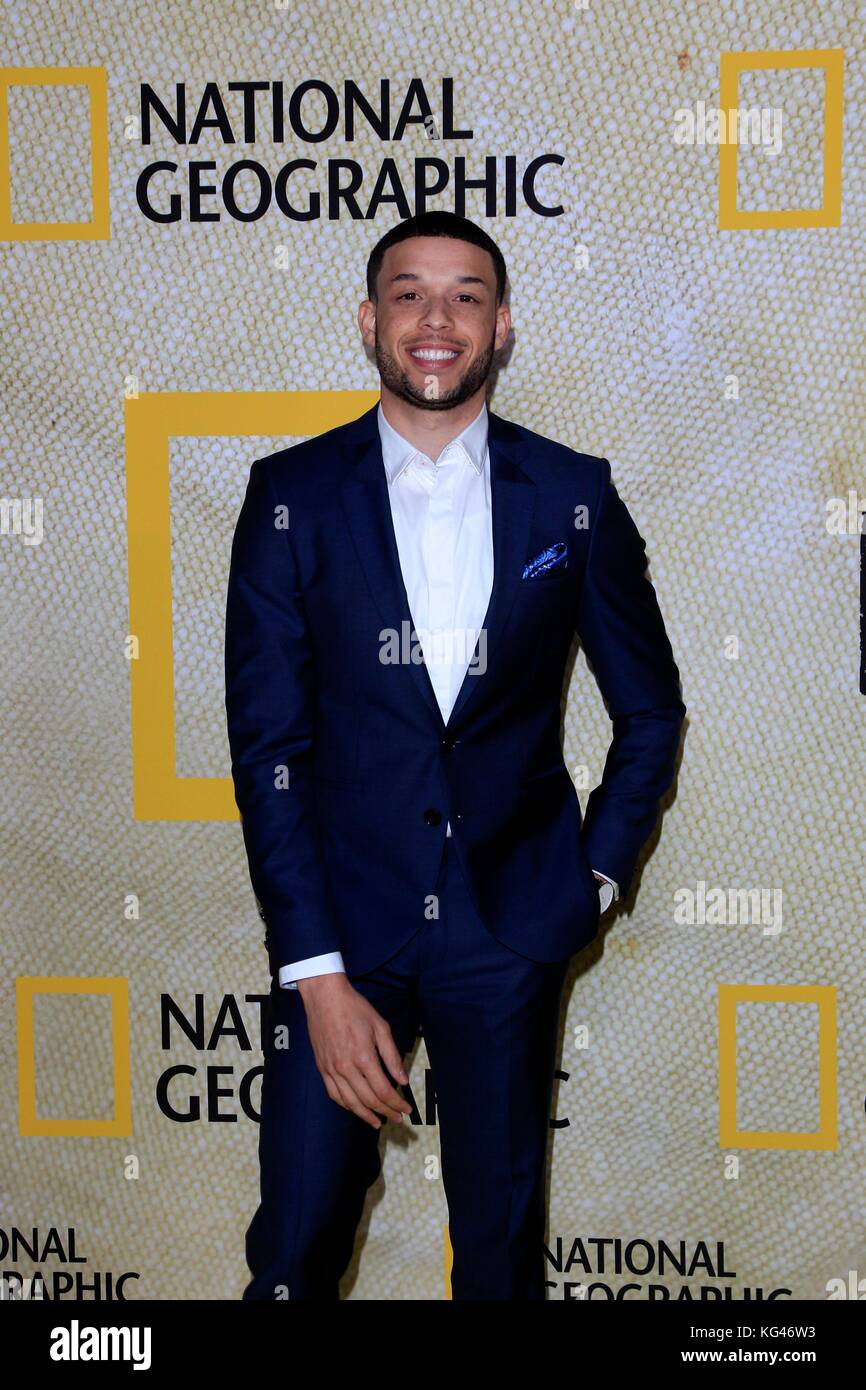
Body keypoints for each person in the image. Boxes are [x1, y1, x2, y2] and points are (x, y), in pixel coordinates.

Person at [224, 210, 686, 1300]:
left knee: (497, 1262)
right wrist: (316, 973)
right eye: (409, 292)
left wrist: (592, 880)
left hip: (509, 932)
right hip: (338, 936)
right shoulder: (288, 497)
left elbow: (651, 712)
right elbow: (268, 748)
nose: (436, 318)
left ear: (502, 326)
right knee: (292, 1253)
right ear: (368, 319)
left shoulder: (571, 496)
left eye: (465, 295)